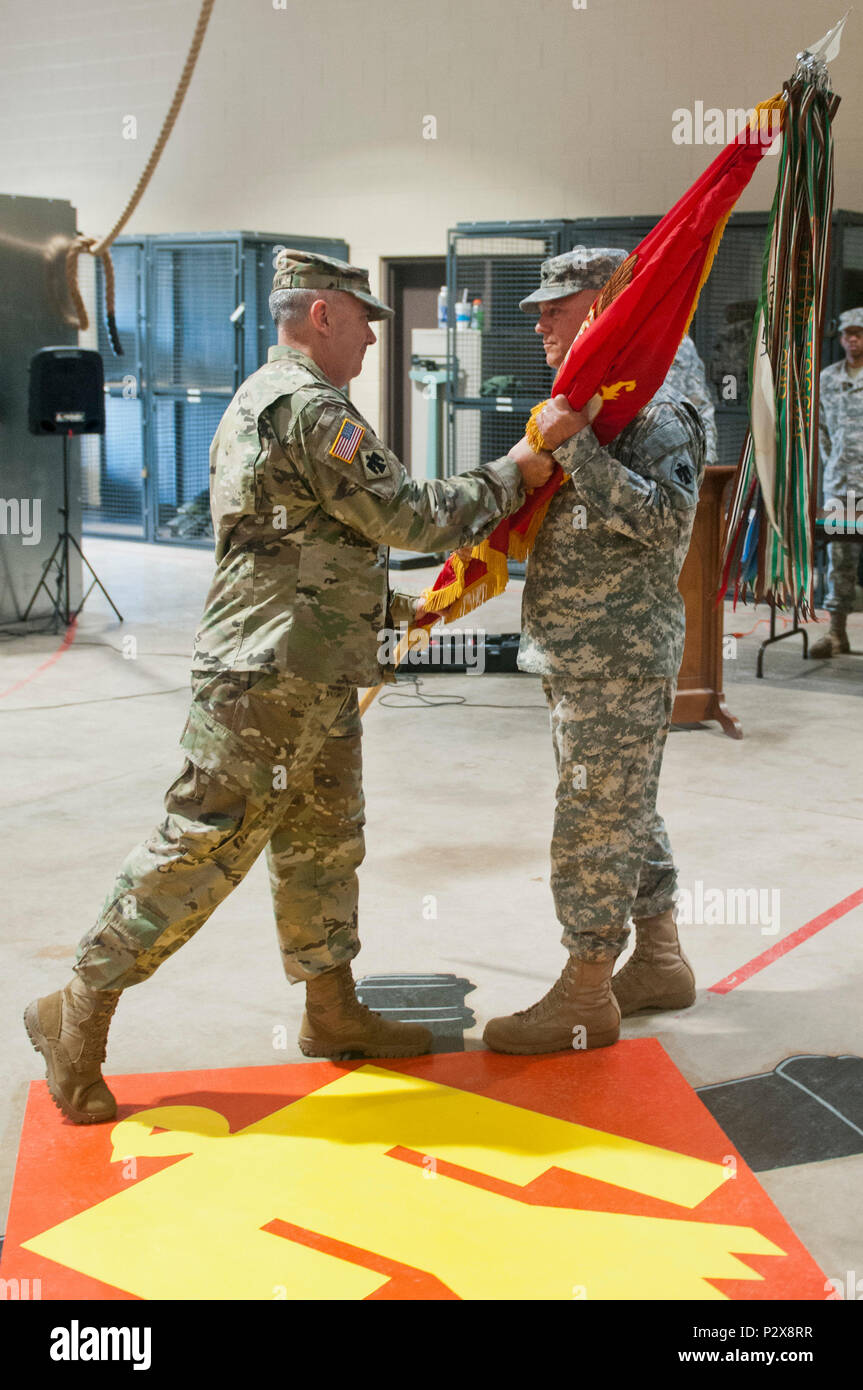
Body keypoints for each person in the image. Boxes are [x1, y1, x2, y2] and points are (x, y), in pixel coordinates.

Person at [24, 248, 572, 1124]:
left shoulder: (278, 400)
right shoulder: (308, 408)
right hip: (264, 678)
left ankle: (330, 1008)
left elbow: (307, 548)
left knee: (322, 841)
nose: (369, 340)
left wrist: (399, 608)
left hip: (311, 667)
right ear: (323, 315)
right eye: (363, 321)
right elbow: (411, 515)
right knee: (201, 848)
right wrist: (514, 475)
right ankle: (77, 1010)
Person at [482, 247, 706, 1054]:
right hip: (585, 647)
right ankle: (658, 959)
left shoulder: (653, 401)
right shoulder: (611, 392)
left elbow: (660, 523)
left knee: (593, 822)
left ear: (608, 305)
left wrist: (574, 445)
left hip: (615, 651)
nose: (539, 321)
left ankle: (585, 992)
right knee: (622, 808)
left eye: (555, 305)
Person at [810, 307, 863, 658]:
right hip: (842, 483)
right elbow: (822, 431)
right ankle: (836, 633)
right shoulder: (828, 378)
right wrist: (834, 466)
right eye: (847, 334)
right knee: (838, 556)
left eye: (858, 333)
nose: (852, 339)